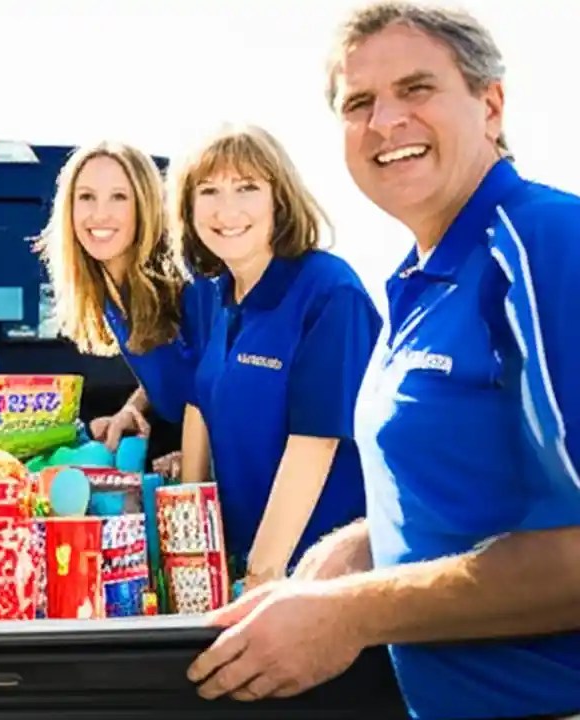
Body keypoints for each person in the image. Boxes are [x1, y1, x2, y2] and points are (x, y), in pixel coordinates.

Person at [188, 4, 580, 719]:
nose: (385, 121)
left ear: (490, 105)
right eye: (359, 103)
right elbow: (487, 487)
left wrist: (351, 613)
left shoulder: (548, 247)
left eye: (417, 89)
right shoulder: (416, 281)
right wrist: (365, 545)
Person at [171, 124, 380, 590]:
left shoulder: (328, 291)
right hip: (243, 566)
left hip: (318, 583)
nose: (228, 210)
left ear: (279, 199)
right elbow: (201, 404)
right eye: (209, 191)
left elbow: (316, 443)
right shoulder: (217, 296)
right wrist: (189, 552)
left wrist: (261, 578)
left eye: (247, 188)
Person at [37, 140, 215, 457]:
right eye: (87, 197)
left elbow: (210, 389)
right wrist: (130, 409)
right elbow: (173, 369)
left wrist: (193, 467)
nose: (100, 214)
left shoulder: (188, 280)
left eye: (119, 197)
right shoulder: (110, 289)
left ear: (143, 204)